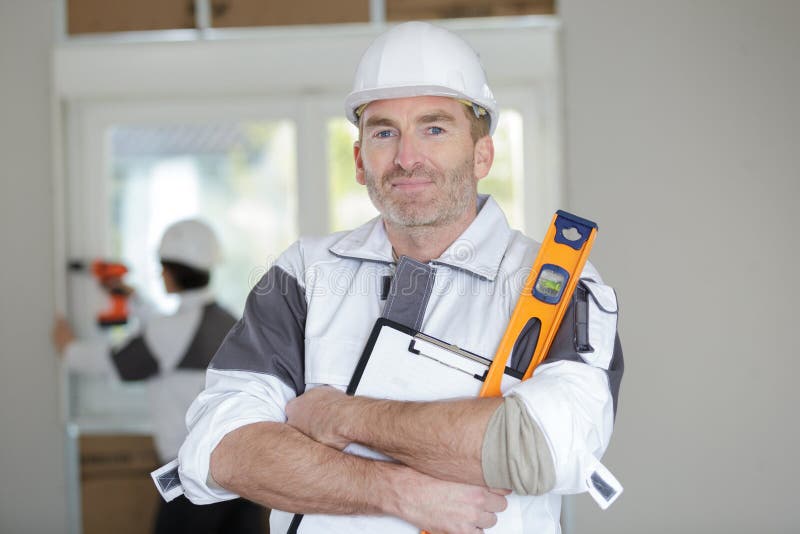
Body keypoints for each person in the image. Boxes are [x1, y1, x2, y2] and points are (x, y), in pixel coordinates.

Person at [175, 22, 623, 534]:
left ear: (483, 154)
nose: (407, 158)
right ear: (361, 160)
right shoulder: (302, 275)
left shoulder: (555, 282)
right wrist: (399, 491)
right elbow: (222, 449)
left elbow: (539, 449)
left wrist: (339, 417)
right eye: (385, 132)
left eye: (434, 128)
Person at [53, 219, 268, 534]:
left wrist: (67, 348)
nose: (159, 273)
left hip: (188, 477)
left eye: (161, 267)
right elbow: (169, 335)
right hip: (243, 478)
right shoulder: (228, 321)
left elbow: (119, 363)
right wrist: (135, 301)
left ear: (171, 272)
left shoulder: (169, 331)